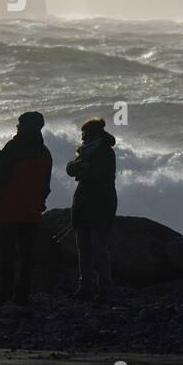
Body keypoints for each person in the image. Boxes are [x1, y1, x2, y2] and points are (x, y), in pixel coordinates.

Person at [0, 111, 52, 304]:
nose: (17, 127)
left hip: (8, 210)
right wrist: (40, 203)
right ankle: (23, 293)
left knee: (7, 254)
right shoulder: (44, 152)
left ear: (25, 126)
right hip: (31, 212)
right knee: (26, 255)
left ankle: (5, 292)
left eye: (20, 124)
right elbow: (45, 185)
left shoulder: (14, 147)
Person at [65, 117, 118, 300]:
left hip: (100, 204)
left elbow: (92, 173)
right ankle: (85, 286)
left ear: (95, 135)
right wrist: (81, 166)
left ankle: (105, 286)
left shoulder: (105, 153)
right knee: (83, 247)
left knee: (98, 247)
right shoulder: (85, 152)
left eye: (85, 135)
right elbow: (71, 168)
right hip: (83, 204)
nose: (82, 139)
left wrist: (81, 167)